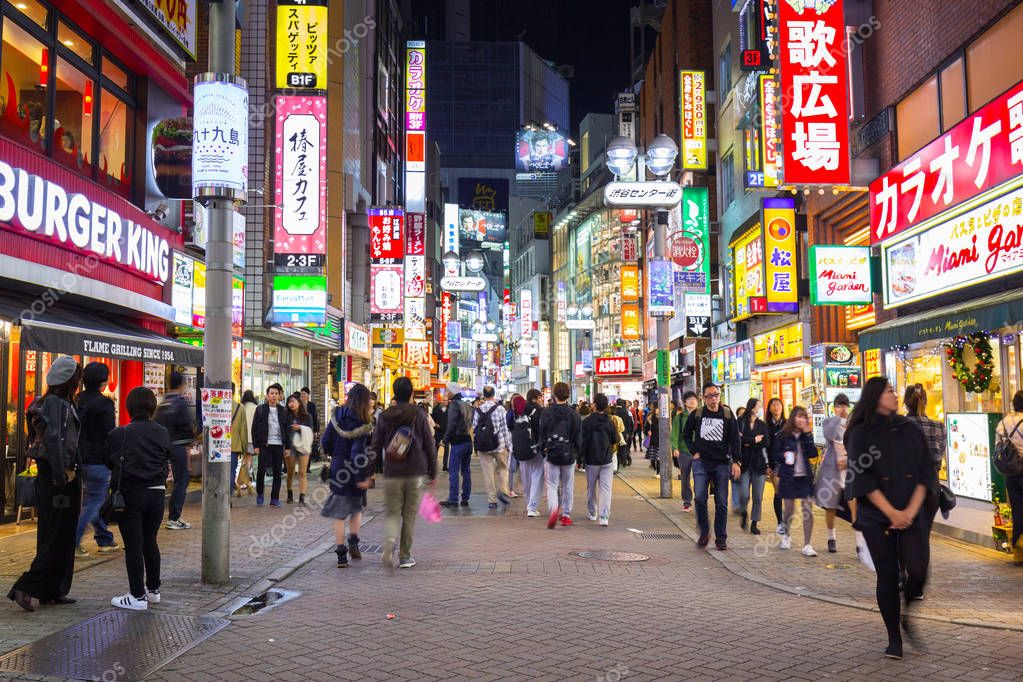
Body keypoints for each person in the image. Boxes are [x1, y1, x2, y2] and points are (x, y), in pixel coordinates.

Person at [844, 377, 935, 660]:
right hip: (877, 514)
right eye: (889, 391)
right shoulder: (860, 433)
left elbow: (926, 470)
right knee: (888, 575)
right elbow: (863, 478)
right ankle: (893, 637)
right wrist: (891, 513)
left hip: (911, 509)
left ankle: (907, 614)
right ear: (875, 397)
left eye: (894, 391)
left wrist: (908, 512)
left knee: (918, 571)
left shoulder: (909, 428)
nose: (895, 395)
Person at [8, 356, 82, 612]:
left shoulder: (55, 401)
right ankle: (25, 586)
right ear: (69, 380)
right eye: (77, 377)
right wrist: (63, 475)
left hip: (56, 476)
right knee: (56, 535)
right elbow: (54, 441)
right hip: (58, 478)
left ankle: (52, 590)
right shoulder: (55, 403)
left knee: (58, 533)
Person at [106, 387, 171, 610]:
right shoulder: (163, 432)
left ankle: (137, 596)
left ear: (129, 407)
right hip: (157, 494)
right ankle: (153, 591)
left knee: (133, 545)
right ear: (153, 407)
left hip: (131, 495)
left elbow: (110, 461)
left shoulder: (119, 434)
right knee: (150, 541)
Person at [369, 376, 437, 569]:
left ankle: (388, 550)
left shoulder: (385, 415)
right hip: (415, 471)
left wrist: (370, 471)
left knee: (392, 513)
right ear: (411, 394)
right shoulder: (418, 414)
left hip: (392, 471)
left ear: (394, 393)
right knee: (409, 515)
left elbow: (375, 445)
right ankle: (405, 556)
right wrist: (432, 472)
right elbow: (429, 445)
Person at [320, 384, 374, 568]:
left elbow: (325, 441)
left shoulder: (336, 416)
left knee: (339, 515)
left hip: (337, 469)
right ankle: (353, 541)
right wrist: (361, 478)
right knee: (356, 508)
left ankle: (341, 555)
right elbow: (358, 452)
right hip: (355, 470)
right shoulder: (363, 422)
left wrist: (333, 452)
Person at [682, 382, 741, 551]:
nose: (714, 399)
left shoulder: (728, 414)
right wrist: (694, 451)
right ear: (704, 398)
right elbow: (686, 435)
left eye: (716, 395)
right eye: (710, 396)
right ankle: (704, 532)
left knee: (721, 502)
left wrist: (737, 461)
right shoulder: (698, 414)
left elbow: (735, 440)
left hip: (722, 463)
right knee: (700, 498)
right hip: (701, 463)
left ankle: (721, 538)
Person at [74, 362, 119, 557]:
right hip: (98, 460)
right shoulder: (104, 404)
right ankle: (73, 541)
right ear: (104, 381)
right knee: (94, 501)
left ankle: (104, 539)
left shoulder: (75, 400)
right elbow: (110, 434)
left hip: (76, 458)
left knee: (93, 500)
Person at [814, 394, 860, 556]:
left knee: (854, 506)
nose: (843, 409)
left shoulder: (854, 424)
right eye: (839, 406)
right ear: (834, 407)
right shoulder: (829, 422)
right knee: (831, 506)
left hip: (850, 469)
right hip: (832, 471)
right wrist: (840, 419)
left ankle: (859, 542)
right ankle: (831, 537)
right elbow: (830, 435)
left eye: (845, 406)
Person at [904, 384, 945, 560]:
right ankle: (918, 581)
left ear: (906, 403)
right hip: (932, 487)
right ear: (926, 402)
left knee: (904, 534)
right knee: (924, 537)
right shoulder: (938, 426)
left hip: (905, 486)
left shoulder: (900, 425)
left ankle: (903, 574)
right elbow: (939, 455)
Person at [773, 406, 818, 556]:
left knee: (807, 511)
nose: (801, 419)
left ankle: (807, 545)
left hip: (805, 478)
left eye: (804, 417)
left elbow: (812, 454)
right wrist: (785, 455)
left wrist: (808, 434)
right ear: (793, 418)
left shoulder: (807, 435)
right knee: (789, 510)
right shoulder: (783, 435)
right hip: (788, 477)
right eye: (798, 416)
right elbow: (775, 454)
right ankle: (786, 535)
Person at [155, 372, 196, 530]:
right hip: (178, 446)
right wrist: (191, 442)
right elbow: (186, 426)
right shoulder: (180, 403)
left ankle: (165, 516)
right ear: (182, 385)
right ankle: (174, 517)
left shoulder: (163, 403)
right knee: (182, 481)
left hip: (163, 447)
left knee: (162, 481)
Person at [539, 382, 582, 527]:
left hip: (551, 453)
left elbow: (542, 433)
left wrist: (543, 448)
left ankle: (553, 510)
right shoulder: (574, 414)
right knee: (568, 485)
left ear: (554, 395)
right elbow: (578, 436)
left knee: (552, 484)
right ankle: (566, 515)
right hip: (569, 453)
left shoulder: (546, 412)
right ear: (568, 394)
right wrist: (577, 453)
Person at [995, 390, 1023, 566]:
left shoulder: (1003, 423)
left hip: (1012, 473)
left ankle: (1018, 552)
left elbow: (998, 446)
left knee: (1017, 510)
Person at [473, 386, 512, 509]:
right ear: (494, 395)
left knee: (487, 473)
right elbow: (505, 428)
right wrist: (509, 445)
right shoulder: (500, 409)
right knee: (503, 469)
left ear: (484, 395)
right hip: (499, 444)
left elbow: (475, 427)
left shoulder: (478, 409)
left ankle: (492, 500)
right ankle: (504, 492)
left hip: (483, 446)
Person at [251, 383, 290, 507]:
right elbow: (254, 428)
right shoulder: (260, 409)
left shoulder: (283, 410)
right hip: (264, 444)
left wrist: (287, 447)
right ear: (267, 395)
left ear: (279, 396)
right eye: (271, 393)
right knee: (261, 470)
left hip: (278, 444)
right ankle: (260, 493)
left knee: (278, 472)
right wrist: (256, 445)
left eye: (276, 394)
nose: (273, 396)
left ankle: (274, 498)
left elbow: (287, 429)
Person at [581, 394, 617, 526]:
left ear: (594, 405)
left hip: (591, 461)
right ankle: (604, 517)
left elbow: (582, 442)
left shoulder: (586, 422)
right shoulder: (609, 421)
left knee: (591, 488)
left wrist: (580, 457)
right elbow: (615, 439)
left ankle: (592, 512)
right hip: (607, 460)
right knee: (606, 489)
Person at [736, 398, 769, 535]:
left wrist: (748, 442)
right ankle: (743, 512)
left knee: (758, 496)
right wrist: (754, 440)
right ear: (752, 407)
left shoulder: (762, 424)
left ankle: (754, 522)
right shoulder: (740, 422)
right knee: (743, 494)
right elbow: (737, 439)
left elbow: (766, 442)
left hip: (759, 464)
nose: (760, 409)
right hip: (743, 464)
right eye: (759, 406)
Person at [441, 383, 473, 508]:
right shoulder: (466, 404)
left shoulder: (454, 405)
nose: (446, 392)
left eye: (447, 390)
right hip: (467, 441)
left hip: (457, 442)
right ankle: (465, 498)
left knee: (453, 471)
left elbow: (451, 425)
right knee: (466, 470)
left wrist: (445, 439)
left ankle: (453, 499)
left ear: (452, 392)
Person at [513, 390, 545, 517]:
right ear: (537, 398)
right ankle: (532, 507)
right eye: (541, 397)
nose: (542, 400)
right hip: (535, 448)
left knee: (526, 477)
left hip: (521, 447)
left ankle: (529, 503)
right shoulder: (540, 411)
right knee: (537, 476)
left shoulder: (520, 409)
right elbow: (542, 429)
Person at [284, 393, 314, 506]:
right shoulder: (286, 416)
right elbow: (284, 432)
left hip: (303, 447)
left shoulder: (308, 416)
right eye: (289, 402)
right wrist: (286, 447)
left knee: (302, 472)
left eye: (293, 401)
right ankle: (290, 493)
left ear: (299, 402)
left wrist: (301, 427)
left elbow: (311, 430)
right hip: (290, 446)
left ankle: (302, 497)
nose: (291, 404)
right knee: (290, 472)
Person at [765, 398, 787, 534]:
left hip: (788, 463)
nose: (776, 407)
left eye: (779, 404)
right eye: (773, 404)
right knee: (778, 492)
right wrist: (767, 464)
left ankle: (786, 519)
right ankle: (780, 522)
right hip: (774, 463)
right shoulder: (766, 425)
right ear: (769, 408)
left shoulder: (788, 423)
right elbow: (764, 447)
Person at [673, 391, 698, 511]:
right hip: (684, 451)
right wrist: (675, 448)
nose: (692, 401)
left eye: (694, 399)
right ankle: (687, 501)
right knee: (685, 477)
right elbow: (675, 433)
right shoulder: (680, 417)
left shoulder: (701, 415)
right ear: (685, 402)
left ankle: (699, 499)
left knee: (700, 477)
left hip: (699, 452)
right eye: (689, 399)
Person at [238, 390, 259, 496]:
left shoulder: (241, 407)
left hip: (242, 438)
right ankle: (245, 480)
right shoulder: (256, 408)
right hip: (252, 438)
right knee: (249, 459)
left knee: (244, 459)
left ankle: (243, 480)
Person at [230, 386, 249, 497]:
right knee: (231, 472)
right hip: (234, 446)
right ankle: (228, 497)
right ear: (233, 392)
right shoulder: (240, 407)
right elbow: (243, 430)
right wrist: (244, 447)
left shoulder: (216, 406)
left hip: (216, 447)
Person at [299, 387, 320, 460]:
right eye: (301, 394)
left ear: (308, 395)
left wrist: (316, 431)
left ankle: (307, 467)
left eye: (304, 394)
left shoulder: (311, 405)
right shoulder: (298, 404)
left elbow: (315, 418)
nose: (302, 395)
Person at [613, 399, 634, 467]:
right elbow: (629, 422)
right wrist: (629, 432)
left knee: (617, 448)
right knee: (624, 447)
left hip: (616, 432)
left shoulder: (614, 411)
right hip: (625, 432)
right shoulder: (626, 411)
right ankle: (625, 460)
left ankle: (619, 462)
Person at [431, 393, 448, 472]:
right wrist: (436, 425)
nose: (445, 402)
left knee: (447, 449)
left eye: (446, 400)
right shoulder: (436, 408)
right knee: (435, 449)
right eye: (443, 400)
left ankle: (445, 466)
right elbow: (432, 419)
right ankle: (433, 466)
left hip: (446, 432)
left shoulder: (450, 409)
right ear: (441, 401)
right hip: (438, 432)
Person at [644, 407, 661, 477]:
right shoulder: (650, 419)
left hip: (660, 441)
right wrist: (647, 432)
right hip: (652, 441)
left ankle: (658, 472)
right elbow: (645, 429)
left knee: (659, 458)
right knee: (653, 458)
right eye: (657, 408)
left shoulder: (664, 419)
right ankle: (654, 468)